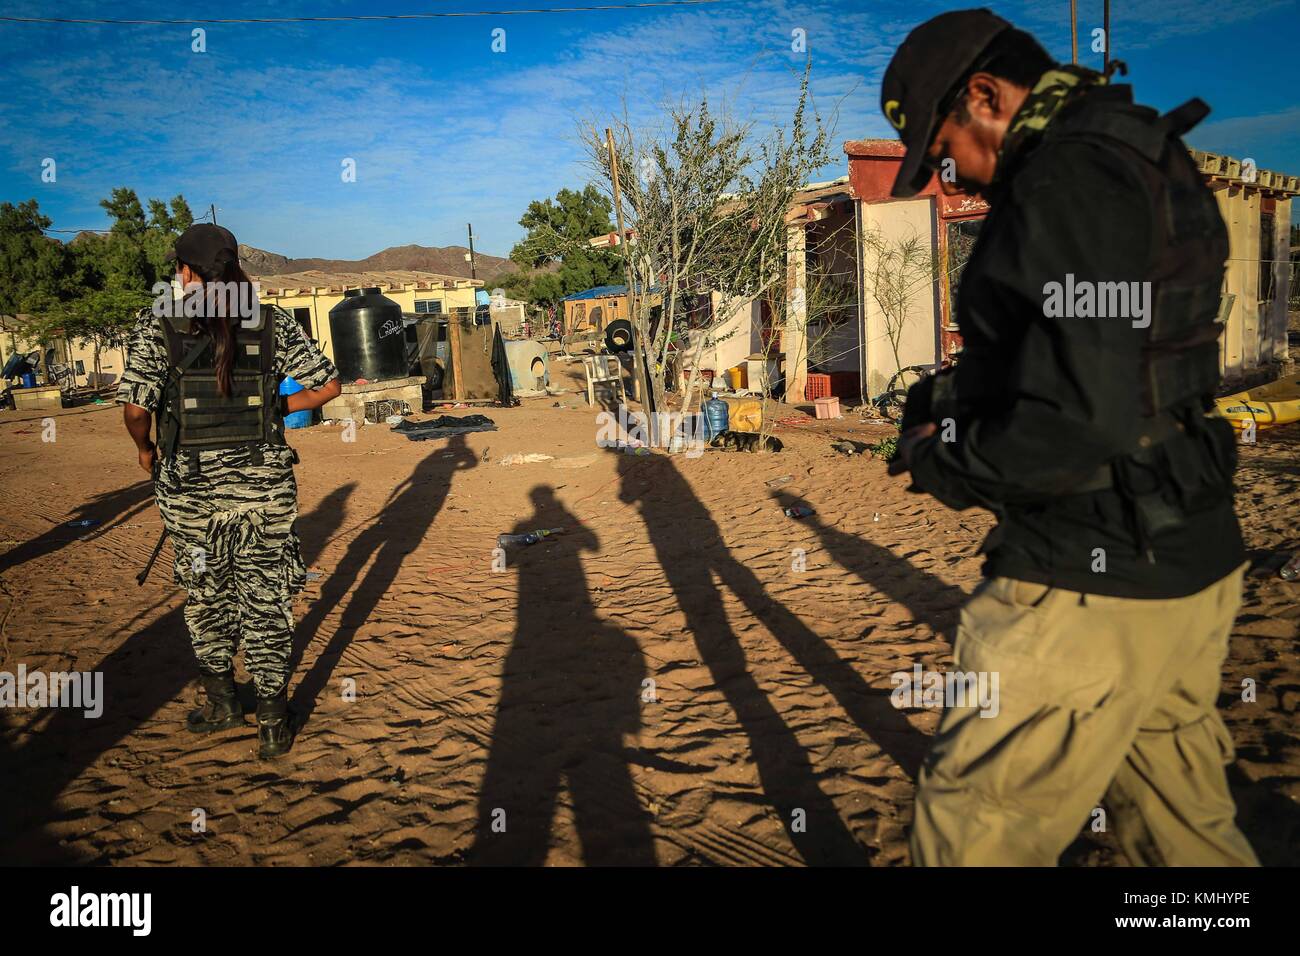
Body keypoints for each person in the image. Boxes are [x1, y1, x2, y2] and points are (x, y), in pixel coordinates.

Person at [881, 9, 1258, 865]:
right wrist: (960, 390)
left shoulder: (1068, 179)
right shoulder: (1139, 151)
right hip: (1188, 555)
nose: (948, 173)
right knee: (1184, 837)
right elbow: (1109, 352)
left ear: (985, 93)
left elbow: (1077, 418)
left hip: (1093, 578)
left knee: (973, 832)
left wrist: (944, 456)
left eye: (945, 144)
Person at [117, 223, 341, 759]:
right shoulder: (271, 322)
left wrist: (146, 452)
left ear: (188, 271)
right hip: (264, 489)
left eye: (178, 266)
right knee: (266, 599)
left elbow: (134, 410)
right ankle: (272, 722)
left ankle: (221, 705)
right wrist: (270, 409)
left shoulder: (160, 325)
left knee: (206, 595)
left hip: (189, 492)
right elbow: (328, 385)